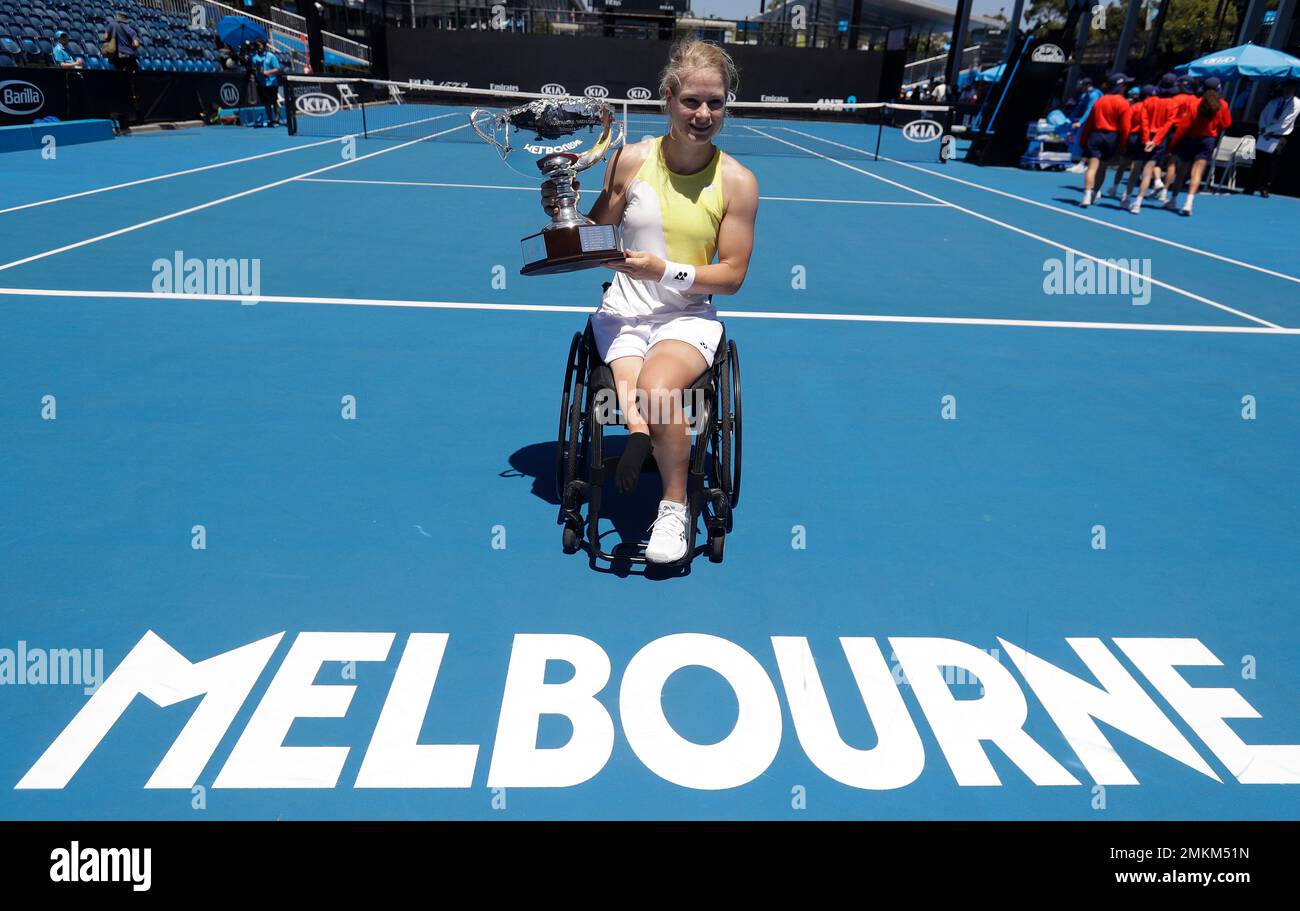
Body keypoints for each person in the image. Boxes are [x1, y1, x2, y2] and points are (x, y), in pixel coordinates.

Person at [542, 38, 759, 563]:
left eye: (716, 103)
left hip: (686, 316)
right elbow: (596, 234)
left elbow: (730, 277)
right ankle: (641, 433)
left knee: (655, 385)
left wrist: (664, 269)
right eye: (691, 102)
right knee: (628, 380)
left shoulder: (738, 182)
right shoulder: (629, 161)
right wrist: (559, 212)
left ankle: (674, 507)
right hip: (622, 310)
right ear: (667, 98)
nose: (704, 114)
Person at [1156, 75, 1231, 215]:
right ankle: (1188, 203)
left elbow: (1183, 127)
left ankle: (1173, 199)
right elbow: (1226, 124)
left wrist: (1172, 146)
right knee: (1197, 173)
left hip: (1190, 139)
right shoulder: (1223, 105)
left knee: (1181, 172)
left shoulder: (1195, 103)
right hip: (1208, 141)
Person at [1126, 75, 1182, 215]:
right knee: (1147, 172)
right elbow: (1167, 125)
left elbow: (1144, 121)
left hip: (1145, 137)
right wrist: (1155, 141)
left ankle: (1127, 197)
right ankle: (1137, 203)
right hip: (1158, 139)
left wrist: (1146, 139)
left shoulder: (1149, 102)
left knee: (1136, 169)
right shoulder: (1173, 104)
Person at [1078, 74, 1130, 207]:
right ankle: (1095, 193)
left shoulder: (1100, 101)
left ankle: (1087, 195)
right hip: (1111, 137)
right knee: (1102, 168)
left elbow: (1089, 123)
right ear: (1120, 87)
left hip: (1095, 134)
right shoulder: (1123, 103)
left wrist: (1083, 140)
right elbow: (1125, 127)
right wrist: (1123, 144)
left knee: (1092, 167)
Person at [1248, 79, 1299, 198]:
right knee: (1258, 162)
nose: (1287, 90)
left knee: (1271, 164)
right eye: (1286, 88)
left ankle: (1265, 187)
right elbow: (1263, 115)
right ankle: (1250, 186)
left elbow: (1285, 122)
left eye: (1290, 88)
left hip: (1279, 136)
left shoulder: (1296, 104)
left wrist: (1268, 130)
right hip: (1264, 134)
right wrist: (1262, 128)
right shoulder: (1274, 101)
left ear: (1294, 89)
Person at [1157, 74, 1199, 202]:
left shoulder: (1175, 99)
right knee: (1181, 165)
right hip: (1188, 133)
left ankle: (1164, 190)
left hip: (1173, 130)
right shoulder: (1195, 100)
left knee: (1170, 162)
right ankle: (1172, 195)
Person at [1110, 84, 1152, 203]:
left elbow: (1126, 125)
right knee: (1136, 168)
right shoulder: (1149, 108)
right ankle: (1127, 194)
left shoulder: (1135, 107)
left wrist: (1123, 141)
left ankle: (1115, 187)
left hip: (1132, 137)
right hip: (1143, 138)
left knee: (1123, 164)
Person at [1067, 77, 1103, 172]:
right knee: (1080, 140)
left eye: (1082, 86)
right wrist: (1068, 119)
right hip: (1088, 121)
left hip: (1097, 123)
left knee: (1088, 143)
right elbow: (1078, 108)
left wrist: (1080, 122)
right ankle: (1080, 162)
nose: (1080, 88)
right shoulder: (1084, 95)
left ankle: (1082, 164)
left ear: (1087, 85)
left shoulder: (1094, 95)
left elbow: (1090, 109)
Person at [250, 39, 283, 126]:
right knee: (266, 103)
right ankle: (270, 119)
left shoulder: (271, 56)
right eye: (257, 45)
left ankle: (276, 118)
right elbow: (254, 68)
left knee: (274, 101)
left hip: (272, 83)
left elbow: (277, 68)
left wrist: (268, 72)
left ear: (264, 46)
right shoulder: (254, 57)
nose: (259, 47)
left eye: (260, 45)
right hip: (262, 83)